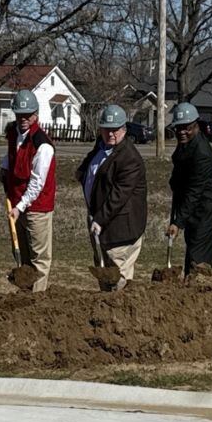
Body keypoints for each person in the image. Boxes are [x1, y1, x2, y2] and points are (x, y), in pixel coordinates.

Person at [76, 104, 147, 290]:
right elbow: (92, 161)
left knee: (118, 278)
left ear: (124, 129)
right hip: (101, 221)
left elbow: (119, 195)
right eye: (106, 130)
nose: (110, 134)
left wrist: (99, 219)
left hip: (120, 229)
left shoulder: (129, 158)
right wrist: (82, 173)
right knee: (104, 271)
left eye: (115, 130)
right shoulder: (102, 145)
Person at [0, 89, 55, 291]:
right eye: (19, 115)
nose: (23, 119)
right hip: (17, 206)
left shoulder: (42, 144)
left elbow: (37, 183)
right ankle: (24, 295)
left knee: (39, 258)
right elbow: (11, 155)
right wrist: (4, 168)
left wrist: (20, 207)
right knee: (23, 257)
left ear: (35, 116)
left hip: (36, 209)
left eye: (28, 115)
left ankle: (37, 300)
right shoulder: (13, 134)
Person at [166, 102, 212, 275]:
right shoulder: (185, 144)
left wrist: (178, 222)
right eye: (178, 128)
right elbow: (180, 170)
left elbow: (194, 192)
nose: (182, 132)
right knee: (191, 253)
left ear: (196, 125)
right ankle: (188, 291)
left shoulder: (202, 154)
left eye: (187, 128)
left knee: (198, 259)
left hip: (207, 211)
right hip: (193, 209)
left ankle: (199, 294)